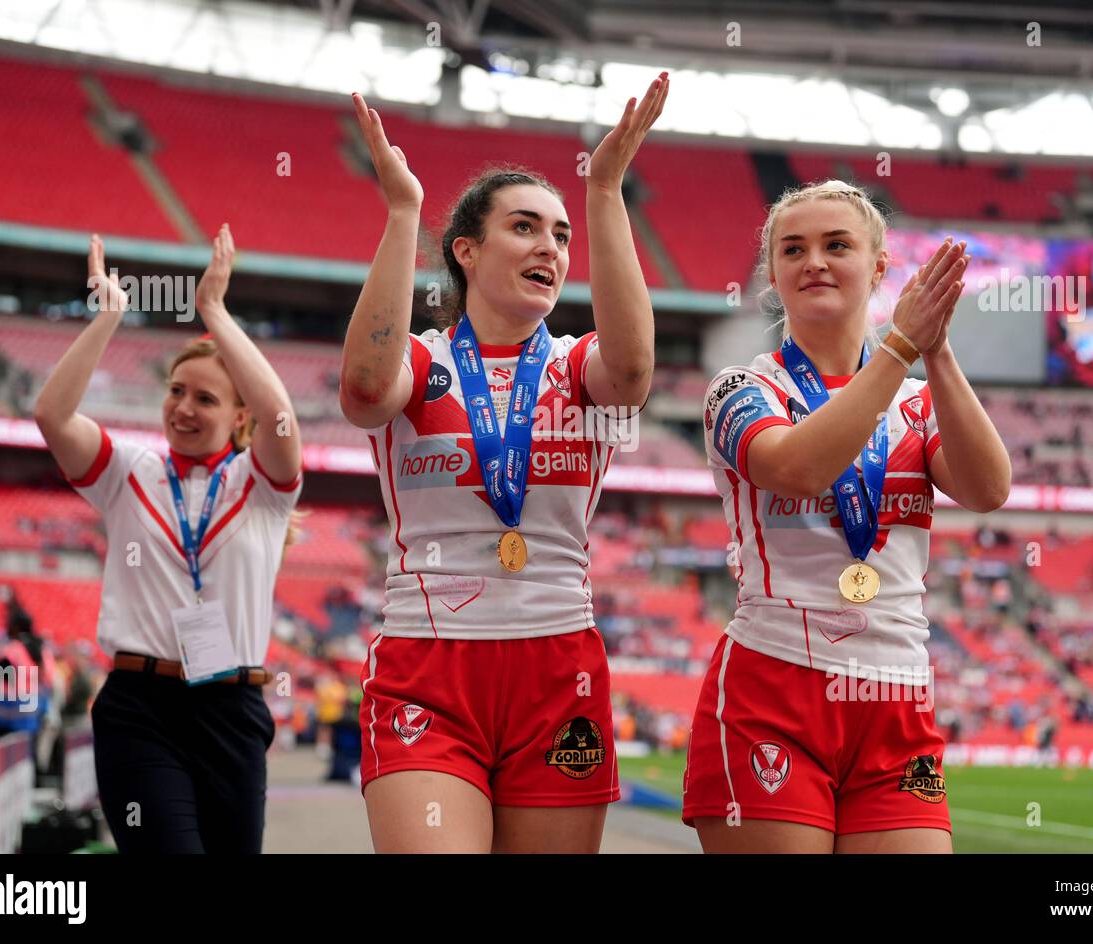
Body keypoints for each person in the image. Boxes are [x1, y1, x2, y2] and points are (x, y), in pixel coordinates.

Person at [340, 74, 669, 852]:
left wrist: (606, 194)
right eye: (525, 228)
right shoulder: (421, 362)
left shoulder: (578, 364)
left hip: (559, 666)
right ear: (467, 250)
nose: (549, 249)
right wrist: (400, 213)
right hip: (429, 664)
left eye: (560, 236)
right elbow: (360, 392)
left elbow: (633, 370)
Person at [683, 181, 1010, 853]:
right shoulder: (741, 388)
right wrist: (898, 351)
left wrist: (937, 350)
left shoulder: (919, 402)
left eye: (838, 245)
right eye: (793, 250)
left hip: (897, 694)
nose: (814, 263)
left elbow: (987, 489)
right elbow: (798, 470)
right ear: (772, 274)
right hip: (773, 689)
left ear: (880, 267)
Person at [34, 228, 302, 853]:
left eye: (205, 397)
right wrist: (108, 318)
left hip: (232, 712)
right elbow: (51, 415)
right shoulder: (128, 471)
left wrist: (214, 311)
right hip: (139, 709)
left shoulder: (261, 487)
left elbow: (281, 416)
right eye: (175, 392)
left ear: (240, 417)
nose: (183, 408)